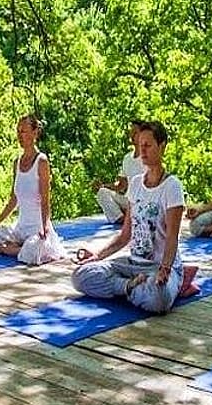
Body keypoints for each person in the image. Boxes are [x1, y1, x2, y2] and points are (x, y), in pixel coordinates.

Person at [72, 120, 185, 313]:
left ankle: (124, 288)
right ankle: (129, 286)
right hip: (133, 264)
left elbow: (172, 238)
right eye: (141, 145)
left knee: (159, 299)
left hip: (159, 267)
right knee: (80, 276)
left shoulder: (172, 186)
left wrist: (165, 270)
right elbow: (125, 235)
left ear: (162, 146)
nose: (142, 150)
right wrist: (97, 256)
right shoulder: (136, 184)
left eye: (148, 145)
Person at [0, 114, 66, 265]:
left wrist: (45, 227)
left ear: (35, 133)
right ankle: (16, 248)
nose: (19, 135)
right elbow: (13, 200)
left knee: (35, 249)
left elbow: (45, 200)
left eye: (23, 131)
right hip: (20, 229)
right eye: (18, 131)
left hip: (37, 228)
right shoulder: (16, 162)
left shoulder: (41, 161)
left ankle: (10, 250)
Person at [92, 119, 145, 224]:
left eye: (135, 132)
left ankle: (131, 216)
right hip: (128, 201)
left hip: (143, 202)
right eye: (131, 132)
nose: (132, 135)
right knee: (102, 192)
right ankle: (122, 219)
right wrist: (103, 186)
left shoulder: (148, 157)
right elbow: (121, 185)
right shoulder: (127, 158)